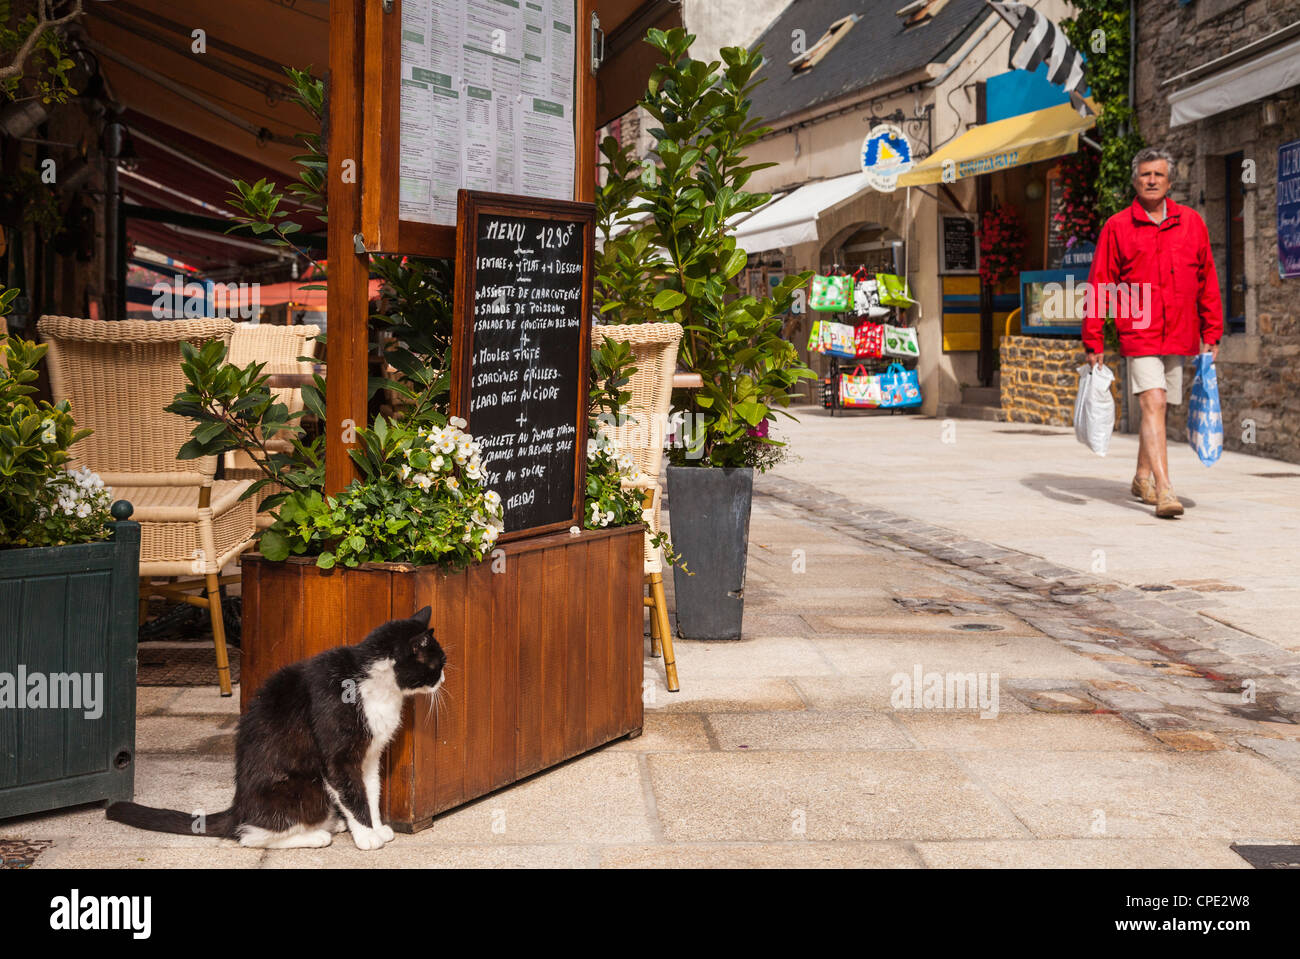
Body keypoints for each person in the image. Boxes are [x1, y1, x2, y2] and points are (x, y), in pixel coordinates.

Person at [1082, 147, 1222, 519]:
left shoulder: (1192, 223)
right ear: (1135, 180)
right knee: (1154, 401)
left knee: (1162, 407)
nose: (1151, 180)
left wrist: (1213, 331)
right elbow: (1100, 284)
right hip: (1139, 329)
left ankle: (1142, 475)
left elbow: (1207, 279)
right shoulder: (1117, 227)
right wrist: (1093, 337)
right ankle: (1164, 488)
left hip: (1180, 331)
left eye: (1158, 175)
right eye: (1145, 174)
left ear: (1170, 181)